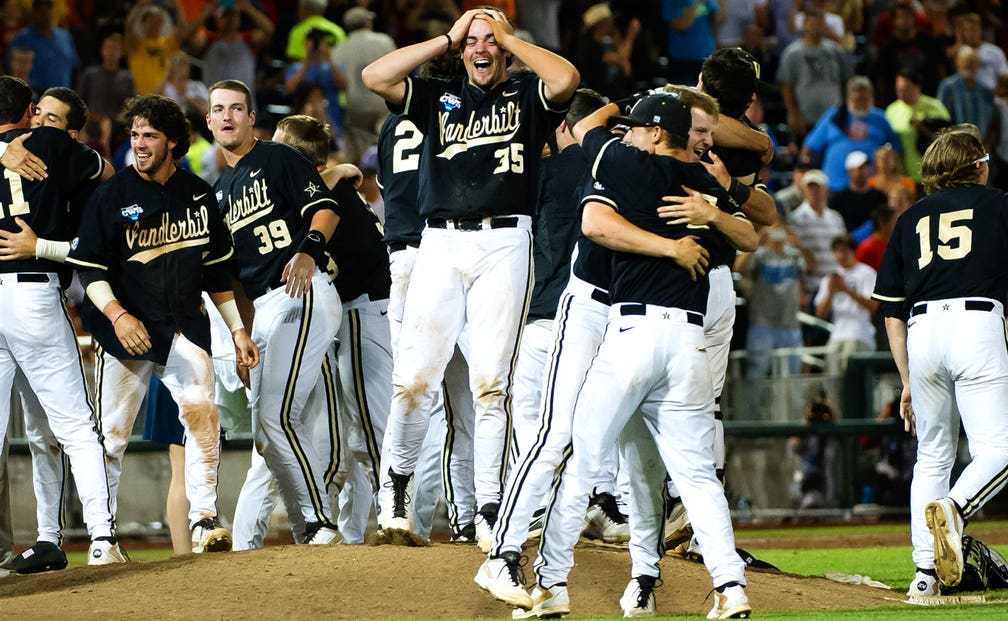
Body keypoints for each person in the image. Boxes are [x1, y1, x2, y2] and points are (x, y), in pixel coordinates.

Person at [361, 7, 579, 543]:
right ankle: (395, 495)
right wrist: (446, 38)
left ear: (504, 49)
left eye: (491, 41)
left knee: (489, 385)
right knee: (413, 378)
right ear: (462, 50)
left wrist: (510, 37)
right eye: (473, 42)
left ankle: (487, 508)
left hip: (506, 241)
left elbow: (567, 78)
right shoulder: (438, 97)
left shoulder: (526, 96)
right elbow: (375, 77)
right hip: (439, 240)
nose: (481, 49)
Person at [64, 94, 258, 554]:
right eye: (134, 134)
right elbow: (89, 269)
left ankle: (205, 520)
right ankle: (102, 536)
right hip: (125, 331)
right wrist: (118, 315)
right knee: (111, 435)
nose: (139, 143)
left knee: (203, 416)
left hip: (183, 328)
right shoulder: (111, 196)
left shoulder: (198, 193)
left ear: (173, 141)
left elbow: (217, 272)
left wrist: (236, 329)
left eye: (149, 135)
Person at [872, 125, 1008, 596]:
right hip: (977, 324)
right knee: (999, 449)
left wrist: (907, 378)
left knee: (931, 456)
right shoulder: (1000, 205)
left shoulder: (910, 219)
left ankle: (925, 576)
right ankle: (955, 508)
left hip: (922, 332)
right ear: (976, 165)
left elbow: (891, 309)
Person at [207, 79, 344, 545]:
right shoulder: (219, 190)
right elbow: (231, 278)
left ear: (250, 117)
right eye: (218, 109)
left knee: (276, 417)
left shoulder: (279, 156)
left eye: (237, 108)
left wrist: (309, 249)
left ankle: (321, 522)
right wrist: (241, 333)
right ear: (209, 122)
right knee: (269, 435)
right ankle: (311, 526)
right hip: (264, 308)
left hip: (300, 290)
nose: (227, 116)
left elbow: (325, 207)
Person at [0, 75, 124, 566]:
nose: (44, 122)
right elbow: (108, 168)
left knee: (39, 431)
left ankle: (50, 538)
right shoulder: (52, 143)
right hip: (33, 292)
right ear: (29, 111)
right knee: (74, 425)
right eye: (41, 114)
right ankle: (102, 538)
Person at [272, 113, 393, 544]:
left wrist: (334, 170)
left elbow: (300, 190)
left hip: (366, 308)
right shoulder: (334, 183)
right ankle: (355, 530)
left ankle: (398, 516)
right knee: (361, 430)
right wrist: (336, 168)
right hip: (369, 308)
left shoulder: (328, 189)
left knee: (371, 424)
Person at [799, 76, 902, 193]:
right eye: (857, 99)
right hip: (834, 185)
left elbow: (896, 150)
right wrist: (802, 171)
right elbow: (809, 146)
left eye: (865, 99)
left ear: (871, 97)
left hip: (869, 186)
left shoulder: (880, 118)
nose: (861, 104)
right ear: (849, 98)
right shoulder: (835, 116)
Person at [738, 223, 809, 378]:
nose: (777, 233)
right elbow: (738, 268)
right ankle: (754, 403)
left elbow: (812, 267)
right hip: (762, 324)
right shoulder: (759, 254)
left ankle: (791, 404)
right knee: (756, 374)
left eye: (780, 229)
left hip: (790, 324)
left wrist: (799, 243)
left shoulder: (794, 254)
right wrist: (756, 240)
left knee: (793, 375)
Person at [330, 6, 396, 166]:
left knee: (359, 159)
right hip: (383, 104)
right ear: (367, 23)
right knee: (388, 150)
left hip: (355, 108)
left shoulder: (339, 48)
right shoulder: (384, 41)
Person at [777, 8, 850, 140]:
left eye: (821, 23)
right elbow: (786, 87)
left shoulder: (835, 51)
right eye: (813, 23)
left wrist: (845, 112)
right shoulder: (792, 53)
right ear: (804, 25)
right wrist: (794, 115)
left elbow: (845, 81)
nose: (817, 27)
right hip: (806, 118)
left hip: (834, 118)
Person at [814, 236, 878, 370]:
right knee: (832, 382)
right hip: (837, 335)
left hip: (860, 334)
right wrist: (831, 292)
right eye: (836, 251)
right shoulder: (830, 278)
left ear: (853, 251)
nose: (840, 255)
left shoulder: (866, 273)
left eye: (844, 250)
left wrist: (847, 290)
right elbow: (820, 314)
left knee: (853, 382)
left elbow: (874, 306)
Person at [884, 69, 952, 183]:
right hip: (903, 177)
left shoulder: (935, 107)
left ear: (917, 87)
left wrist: (923, 127)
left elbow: (949, 138)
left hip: (933, 175)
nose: (901, 94)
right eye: (898, 89)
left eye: (906, 89)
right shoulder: (891, 111)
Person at [787, 168, 846, 300]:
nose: (814, 191)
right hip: (810, 286)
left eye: (818, 187)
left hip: (835, 284)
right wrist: (800, 286)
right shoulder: (796, 218)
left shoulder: (836, 218)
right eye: (810, 187)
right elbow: (793, 254)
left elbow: (843, 248)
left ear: (826, 190)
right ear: (803, 190)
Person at [8, 0, 78, 91]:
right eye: (39, 8)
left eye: (47, 7)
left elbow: (75, 66)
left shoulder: (65, 36)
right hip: (33, 97)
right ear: (33, 12)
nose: (43, 12)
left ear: (52, 11)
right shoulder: (21, 39)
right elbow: (11, 71)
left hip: (62, 96)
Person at [937, 46, 996, 146]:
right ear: (957, 62)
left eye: (972, 61)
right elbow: (941, 120)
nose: (969, 65)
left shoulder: (985, 90)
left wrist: (987, 145)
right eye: (965, 61)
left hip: (981, 148)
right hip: (957, 149)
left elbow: (993, 121)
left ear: (978, 65)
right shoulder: (948, 87)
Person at [828, 150, 887, 236]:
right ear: (849, 172)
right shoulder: (837, 200)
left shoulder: (880, 197)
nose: (863, 171)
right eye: (859, 168)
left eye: (866, 167)